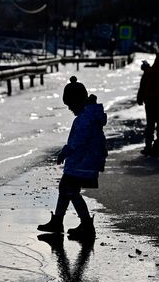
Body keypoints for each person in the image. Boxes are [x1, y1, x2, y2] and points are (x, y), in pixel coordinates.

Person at [38, 76, 108, 239]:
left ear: (78, 102)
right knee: (65, 188)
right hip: (84, 161)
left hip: (83, 162)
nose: (70, 109)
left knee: (70, 190)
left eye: (71, 105)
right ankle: (58, 221)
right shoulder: (89, 115)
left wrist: (65, 151)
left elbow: (79, 141)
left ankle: (86, 224)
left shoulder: (85, 119)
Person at [136, 34, 159, 156]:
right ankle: (158, 145)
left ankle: (152, 146)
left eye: (158, 44)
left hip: (155, 95)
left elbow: (156, 75)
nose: (157, 46)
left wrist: (147, 68)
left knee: (152, 122)